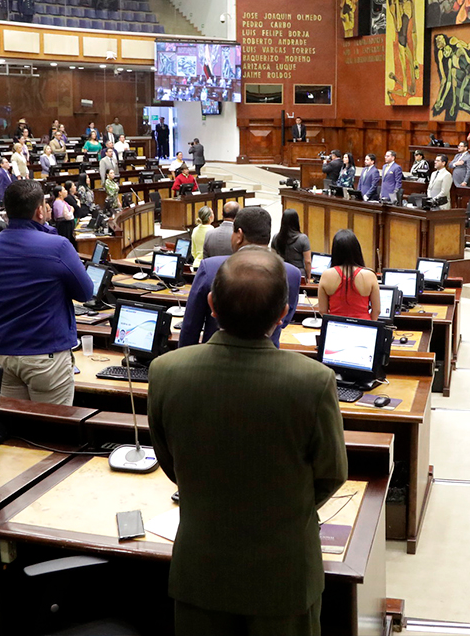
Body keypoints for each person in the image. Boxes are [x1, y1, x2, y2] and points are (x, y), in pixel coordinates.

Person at [147, 247, 347, 636]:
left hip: (201, 570)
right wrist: (282, 506)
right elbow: (331, 474)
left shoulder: (166, 371)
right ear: (282, 313)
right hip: (284, 575)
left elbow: (171, 462)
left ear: (211, 304)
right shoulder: (313, 381)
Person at [0, 180, 93, 404]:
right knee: (52, 431)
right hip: (46, 356)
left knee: (17, 432)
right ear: (39, 211)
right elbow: (86, 293)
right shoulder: (58, 246)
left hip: (3, 354)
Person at [179, 207, 301, 348]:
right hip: (267, 362)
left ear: (239, 235)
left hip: (216, 358)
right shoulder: (292, 274)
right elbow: (283, 322)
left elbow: (191, 325)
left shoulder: (210, 267)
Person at [317, 229, 380, 320]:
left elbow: (322, 310)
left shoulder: (326, 275)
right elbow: (377, 310)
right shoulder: (369, 275)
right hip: (363, 328)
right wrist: (371, 326)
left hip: (335, 327)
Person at [271, 208, 312, 279]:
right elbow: (307, 261)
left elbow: (273, 258)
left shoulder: (275, 238)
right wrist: (308, 277)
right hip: (298, 274)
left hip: (281, 273)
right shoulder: (303, 238)